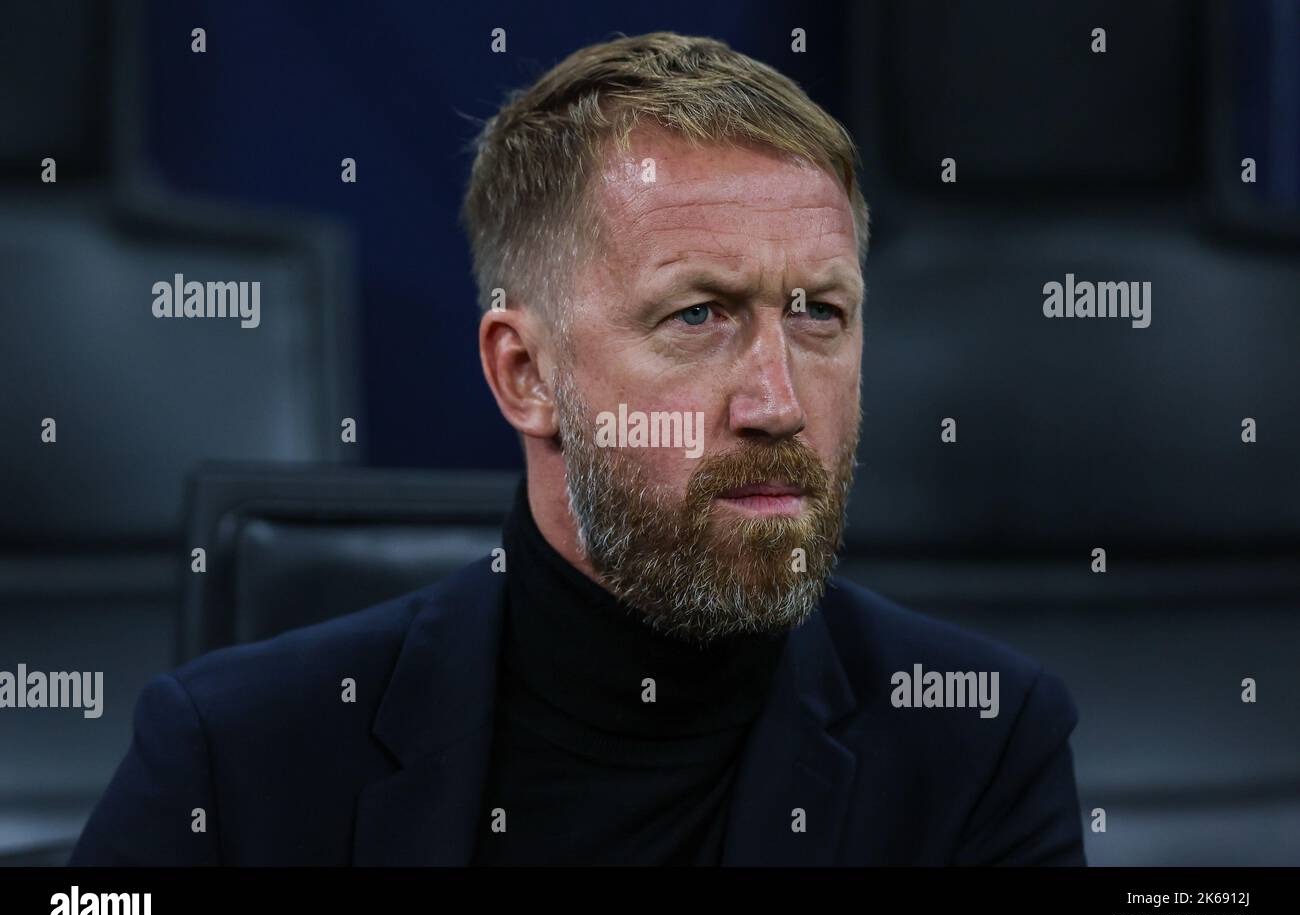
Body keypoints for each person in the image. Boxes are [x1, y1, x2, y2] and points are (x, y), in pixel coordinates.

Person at [70, 31, 1084, 866]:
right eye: (697, 315)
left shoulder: (978, 745)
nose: (778, 404)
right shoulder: (237, 755)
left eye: (819, 312)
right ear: (525, 374)